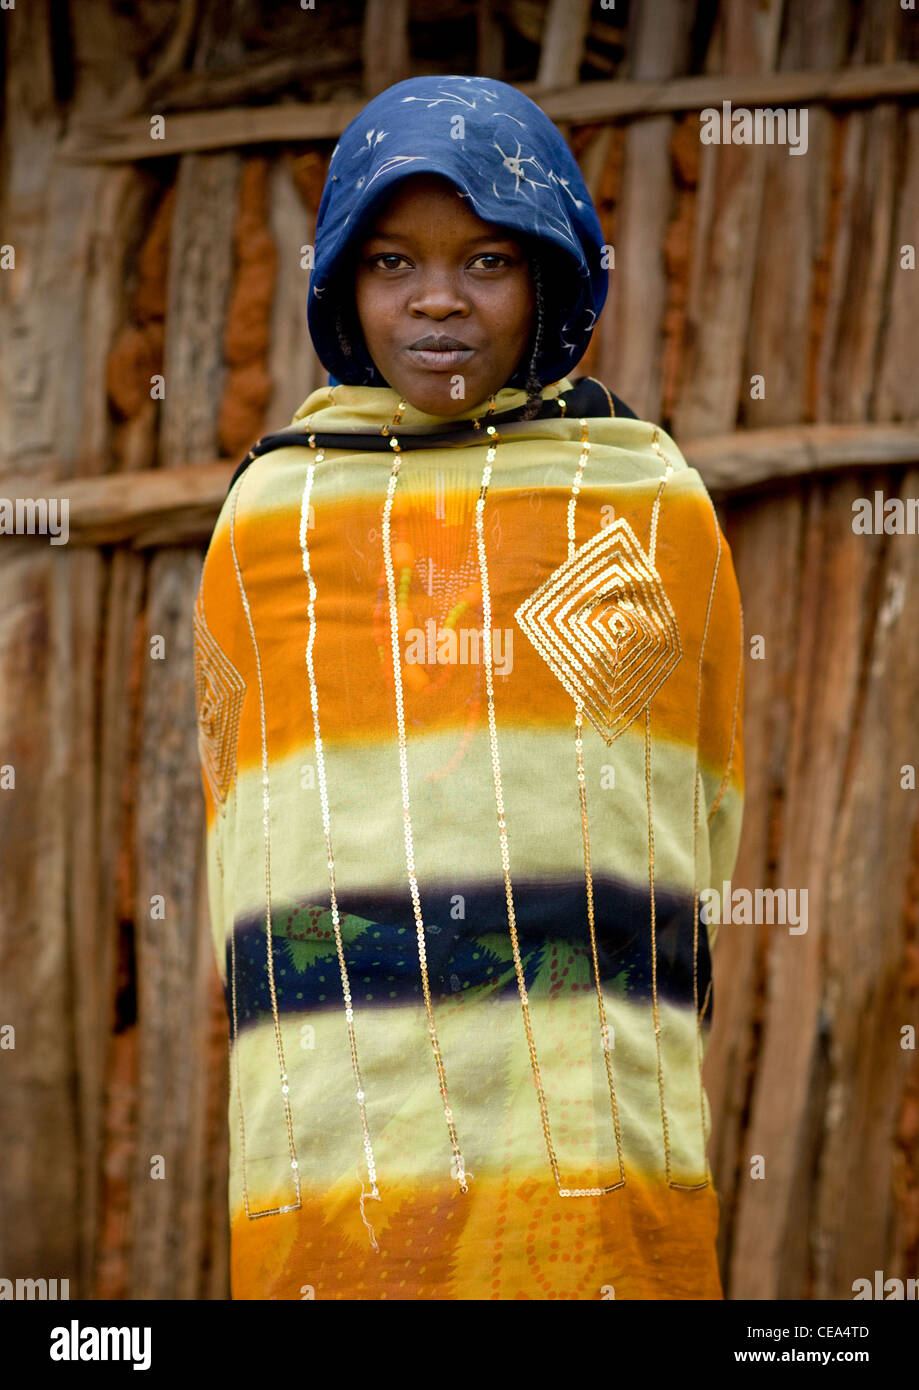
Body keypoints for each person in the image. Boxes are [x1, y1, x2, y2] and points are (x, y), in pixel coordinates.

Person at [193, 73, 745, 1300]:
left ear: (551, 276)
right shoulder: (271, 524)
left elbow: (694, 805)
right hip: (342, 1111)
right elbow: (255, 833)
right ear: (342, 284)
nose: (437, 298)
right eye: (391, 261)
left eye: (487, 260)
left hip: (585, 1103)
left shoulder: (649, 506)